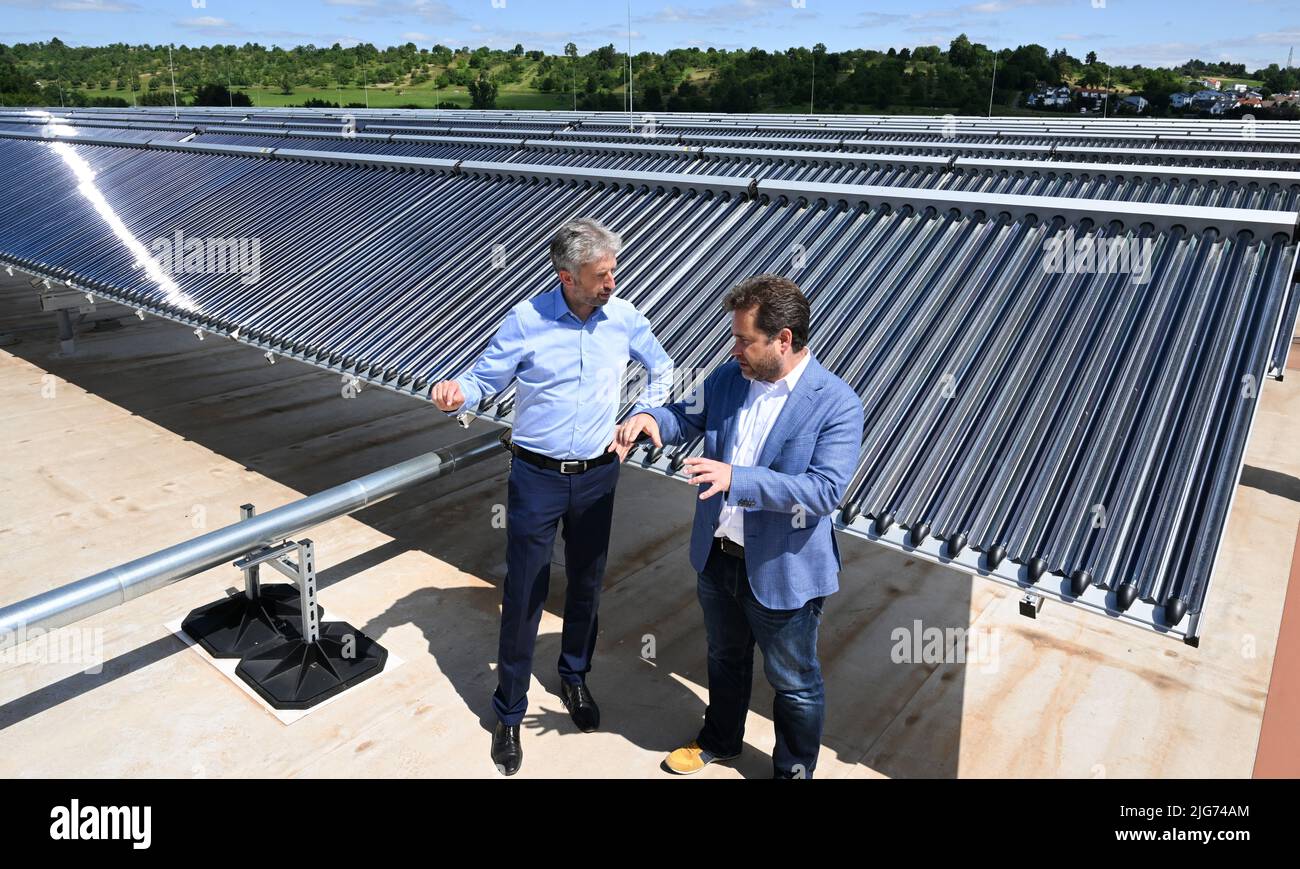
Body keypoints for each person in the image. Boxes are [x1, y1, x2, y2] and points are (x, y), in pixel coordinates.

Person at [431, 218, 673, 776]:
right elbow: (484, 380)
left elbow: (662, 368)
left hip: (596, 475)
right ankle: (509, 713)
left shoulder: (624, 317)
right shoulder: (527, 320)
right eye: (600, 275)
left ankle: (574, 677)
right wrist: (453, 393)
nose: (612, 282)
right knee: (524, 591)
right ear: (566, 276)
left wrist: (643, 414)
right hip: (536, 478)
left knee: (587, 582)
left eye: (613, 270)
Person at [614, 274, 863, 779]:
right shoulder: (730, 379)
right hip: (719, 555)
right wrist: (651, 421)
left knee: (793, 680)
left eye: (746, 340)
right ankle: (720, 739)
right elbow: (685, 419)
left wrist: (737, 478)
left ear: (784, 340)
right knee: (725, 658)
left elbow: (823, 493)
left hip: (784, 569)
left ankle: (793, 769)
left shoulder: (836, 403)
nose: (736, 349)